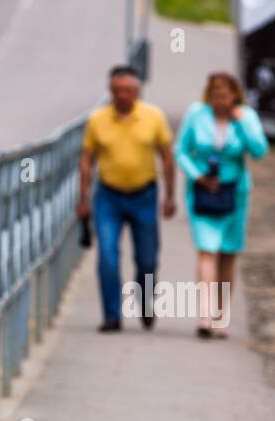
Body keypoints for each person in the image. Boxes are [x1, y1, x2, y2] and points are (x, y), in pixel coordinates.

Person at [77, 65, 178, 333]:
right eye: (118, 90)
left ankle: (145, 302)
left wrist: (170, 195)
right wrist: (83, 198)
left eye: (128, 90)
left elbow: (167, 156)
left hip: (144, 194)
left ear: (137, 91)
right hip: (108, 196)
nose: (123, 95)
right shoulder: (97, 119)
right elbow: (87, 160)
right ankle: (112, 315)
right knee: (107, 255)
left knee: (146, 258)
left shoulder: (153, 117)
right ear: (110, 91)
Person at [174, 72, 269, 338]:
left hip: (234, 193)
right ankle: (205, 316)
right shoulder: (197, 114)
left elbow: (260, 151)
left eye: (225, 97)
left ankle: (220, 314)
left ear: (235, 97)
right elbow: (180, 150)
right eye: (216, 96)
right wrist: (198, 176)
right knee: (206, 250)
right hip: (203, 191)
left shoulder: (246, 118)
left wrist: (245, 124)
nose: (220, 102)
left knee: (228, 253)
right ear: (209, 96)